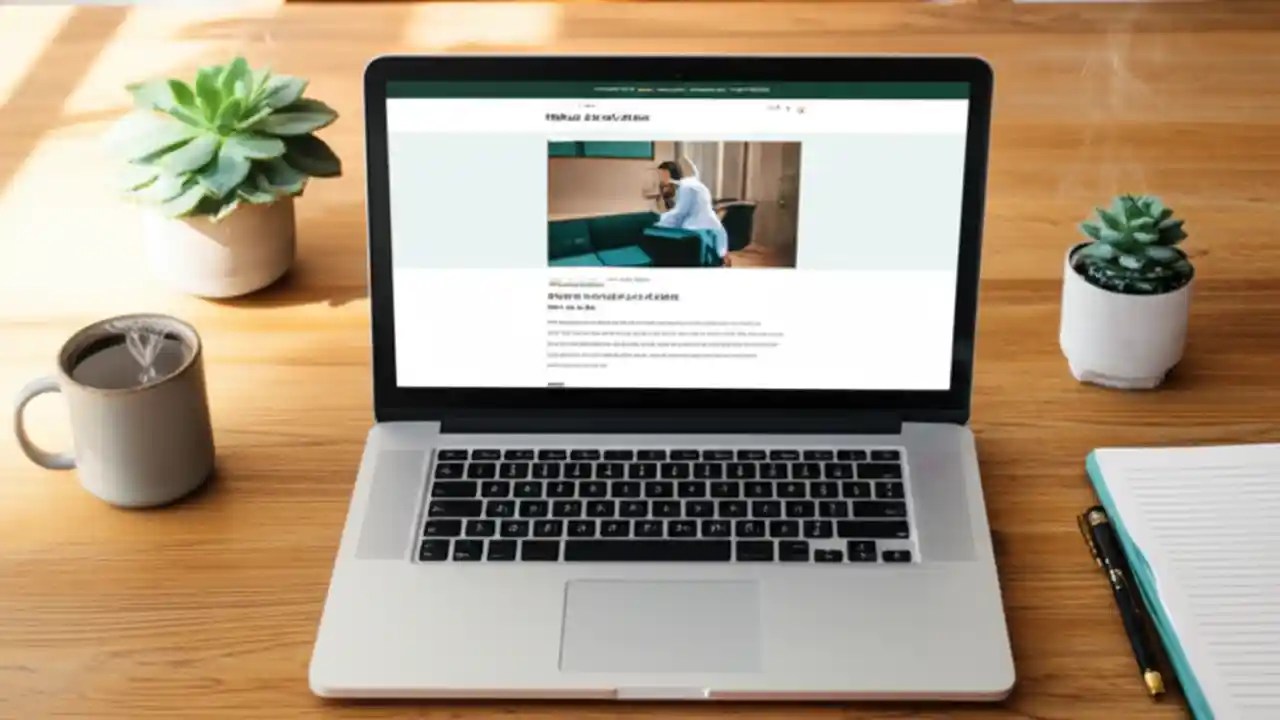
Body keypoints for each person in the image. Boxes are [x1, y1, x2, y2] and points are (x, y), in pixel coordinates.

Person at [655, 160, 729, 264]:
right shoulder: (687, 185)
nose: (660, 180)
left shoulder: (686, 188)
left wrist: (658, 220)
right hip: (712, 229)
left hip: (699, 231)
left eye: (663, 176)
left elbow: (679, 213)